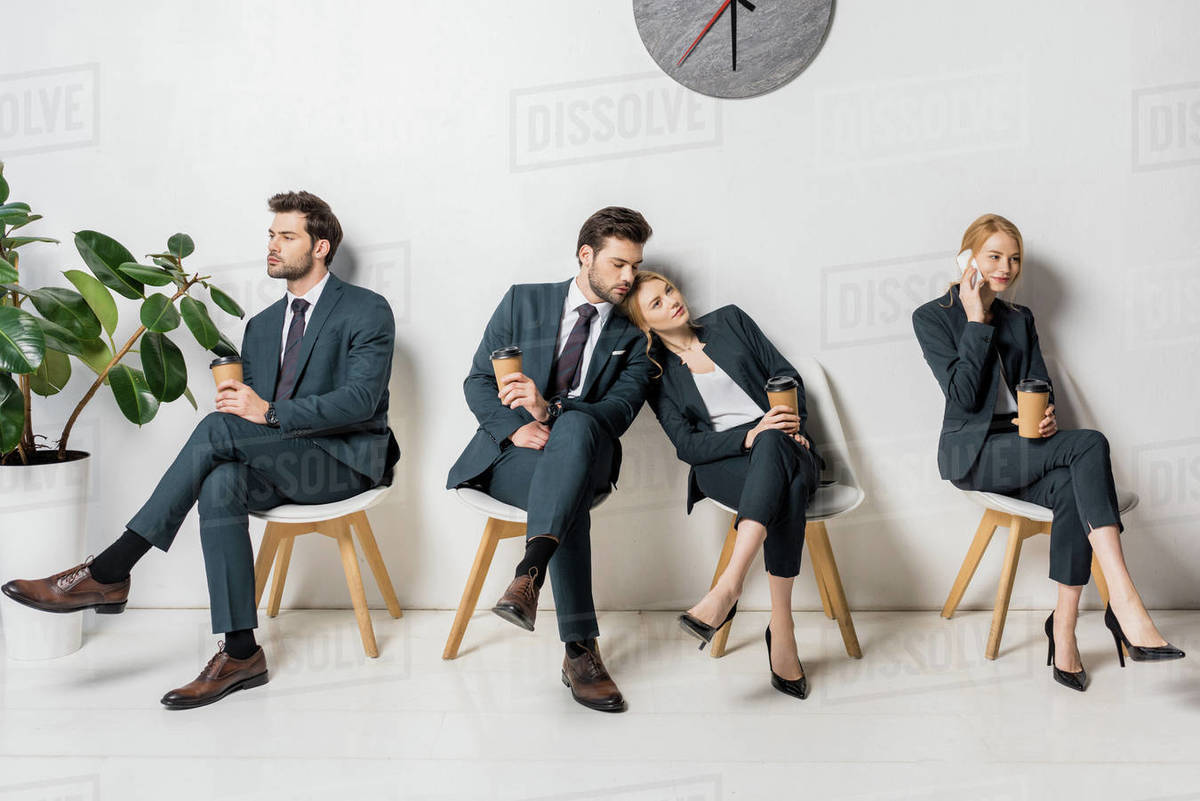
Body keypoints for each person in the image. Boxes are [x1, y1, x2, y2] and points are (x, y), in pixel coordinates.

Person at [2, 191, 401, 708]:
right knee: (221, 479)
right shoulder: (258, 328)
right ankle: (240, 652)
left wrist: (269, 413)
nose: (273, 245)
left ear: (321, 246)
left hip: (344, 462)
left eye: (287, 235)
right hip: (284, 460)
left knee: (215, 432)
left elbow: (361, 400)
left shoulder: (367, 309)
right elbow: (252, 415)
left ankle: (111, 570)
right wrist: (246, 406)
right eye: (271, 235)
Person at [912, 213, 1183, 692]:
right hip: (975, 455)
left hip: (1024, 445)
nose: (1006, 267)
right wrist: (976, 318)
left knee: (1070, 489)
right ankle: (1125, 602)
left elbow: (1038, 385)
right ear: (967, 257)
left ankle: (1063, 631)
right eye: (994, 255)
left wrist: (1048, 415)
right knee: (1091, 443)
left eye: (1014, 258)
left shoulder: (1020, 318)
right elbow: (962, 396)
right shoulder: (933, 316)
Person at [446, 207, 653, 712]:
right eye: (619, 264)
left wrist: (550, 408)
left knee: (579, 429)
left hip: (588, 448)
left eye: (635, 266)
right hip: (514, 457)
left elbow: (617, 412)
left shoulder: (634, 336)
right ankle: (579, 649)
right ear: (586, 256)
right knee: (568, 495)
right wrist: (518, 427)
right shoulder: (524, 301)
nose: (629, 277)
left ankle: (528, 573)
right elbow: (477, 380)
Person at [626, 271, 823, 700]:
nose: (671, 302)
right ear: (645, 325)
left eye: (669, 291)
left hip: (790, 446)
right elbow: (686, 444)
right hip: (725, 465)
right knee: (773, 461)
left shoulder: (730, 322)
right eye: (656, 304)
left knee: (776, 452)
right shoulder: (655, 375)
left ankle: (727, 589)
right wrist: (748, 436)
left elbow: (786, 376)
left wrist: (793, 426)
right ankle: (782, 629)